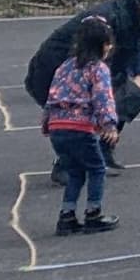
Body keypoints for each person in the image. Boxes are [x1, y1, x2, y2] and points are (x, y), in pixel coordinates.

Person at [25, 0, 140, 181]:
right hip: (55, 72)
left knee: (126, 97)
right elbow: (87, 62)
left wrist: (129, 84)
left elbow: (122, 59)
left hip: (89, 68)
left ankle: (103, 151)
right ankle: (66, 165)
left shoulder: (135, 20)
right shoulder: (107, 19)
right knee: (82, 115)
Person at [44, 16, 122, 235]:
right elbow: (103, 98)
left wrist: (47, 123)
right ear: (104, 46)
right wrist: (109, 125)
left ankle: (66, 216)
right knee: (96, 169)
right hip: (79, 127)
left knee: (75, 172)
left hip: (57, 126)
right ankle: (93, 213)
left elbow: (52, 95)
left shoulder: (65, 67)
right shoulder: (98, 69)